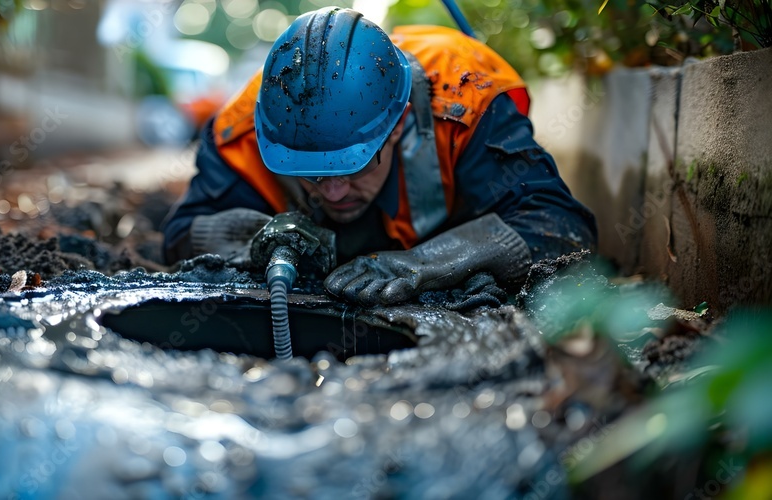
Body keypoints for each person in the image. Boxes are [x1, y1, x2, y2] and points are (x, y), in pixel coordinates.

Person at [161, 6, 596, 306]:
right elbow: (180, 234)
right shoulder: (242, 130)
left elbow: (559, 226)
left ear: (400, 122)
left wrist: (428, 263)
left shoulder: (467, 100)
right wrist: (256, 240)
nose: (333, 192)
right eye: (310, 172)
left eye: (355, 165)